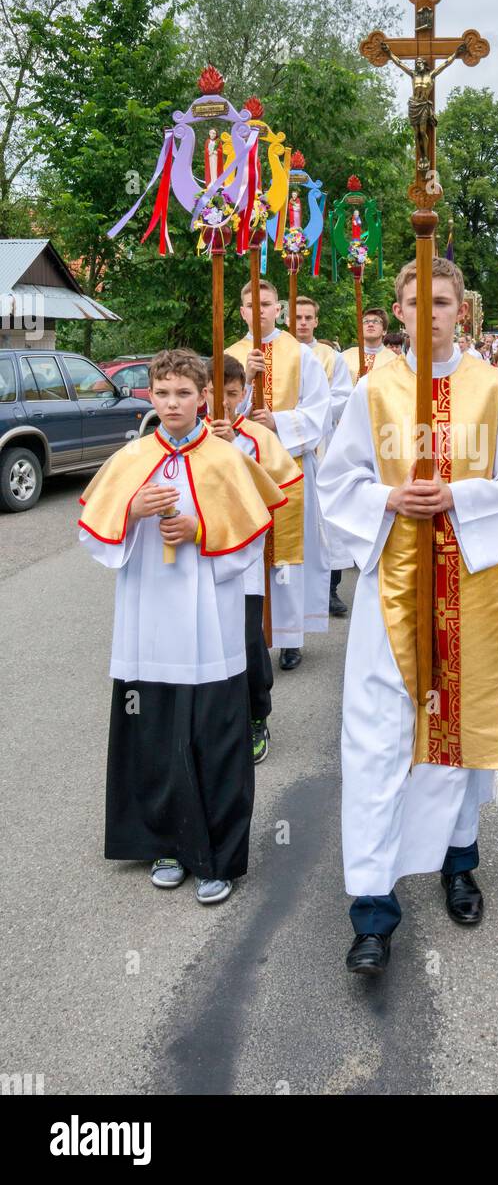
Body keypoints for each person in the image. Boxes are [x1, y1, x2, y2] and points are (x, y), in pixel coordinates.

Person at [317, 256, 498, 976]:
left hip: (468, 583)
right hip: (392, 585)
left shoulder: (495, 389)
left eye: (442, 301)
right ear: (400, 310)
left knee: (454, 724)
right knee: (379, 737)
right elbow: (338, 478)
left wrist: (459, 499)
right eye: (415, 302)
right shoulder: (373, 388)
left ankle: (458, 861)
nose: (430, 314)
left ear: (462, 312)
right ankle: (372, 907)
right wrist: (387, 500)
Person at [78, 349, 287, 905]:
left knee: (213, 735)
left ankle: (216, 855)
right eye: (162, 393)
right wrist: (131, 512)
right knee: (154, 733)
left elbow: (252, 538)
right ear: (150, 395)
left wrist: (202, 529)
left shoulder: (224, 458)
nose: (171, 404)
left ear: (202, 398)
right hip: (148, 622)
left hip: (209, 622)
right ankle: (168, 843)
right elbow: (93, 536)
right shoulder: (132, 458)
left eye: (183, 394)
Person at [226, 279, 331, 673]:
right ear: (242, 312)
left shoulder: (301, 355)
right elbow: (220, 413)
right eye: (252, 305)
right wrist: (247, 385)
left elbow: (319, 411)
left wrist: (278, 421)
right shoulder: (231, 354)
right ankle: (252, 633)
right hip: (245, 470)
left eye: (267, 304)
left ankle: (289, 636)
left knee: (286, 555)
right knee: (248, 552)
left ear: (278, 310)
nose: (260, 311)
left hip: (289, 467)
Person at [204, 354, 304, 764]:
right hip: (199, 557)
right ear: (202, 392)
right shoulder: (186, 434)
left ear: (244, 393)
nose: (223, 403)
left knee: (247, 639)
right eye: (215, 393)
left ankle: (255, 715)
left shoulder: (257, 437)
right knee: (207, 639)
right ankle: (213, 719)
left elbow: (274, 491)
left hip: (243, 560)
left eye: (232, 394)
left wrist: (232, 451)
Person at [293, 293, 354, 618]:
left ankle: (330, 589)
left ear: (316, 321)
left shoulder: (330, 356)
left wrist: (310, 413)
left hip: (323, 446)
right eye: (297, 317)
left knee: (327, 522)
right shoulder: (279, 352)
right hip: (285, 449)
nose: (302, 322)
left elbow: (343, 396)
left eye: (308, 317)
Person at [342, 307, 398, 383]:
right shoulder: (345, 356)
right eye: (366, 321)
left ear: (384, 331)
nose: (370, 324)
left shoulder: (394, 361)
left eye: (376, 321)